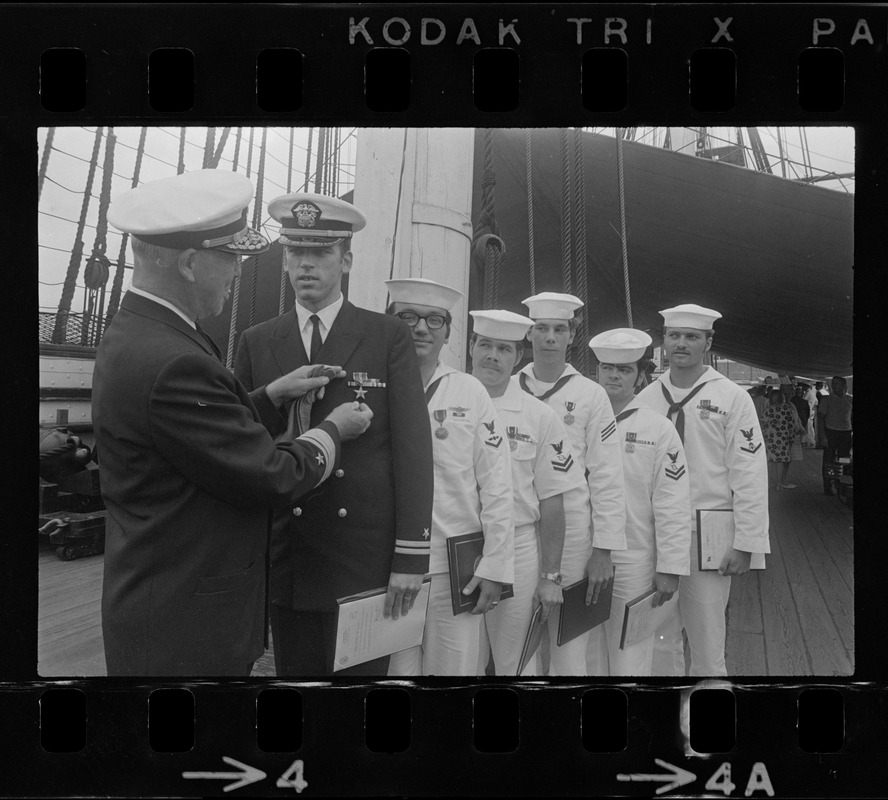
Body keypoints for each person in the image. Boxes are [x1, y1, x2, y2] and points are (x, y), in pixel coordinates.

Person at [95, 170, 373, 677]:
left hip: (160, 602)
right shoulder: (176, 360)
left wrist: (269, 395)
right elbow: (272, 475)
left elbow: (191, 433)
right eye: (232, 258)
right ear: (190, 264)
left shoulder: (139, 333)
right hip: (187, 625)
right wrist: (333, 429)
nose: (238, 274)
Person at [234, 192, 434, 676]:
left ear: (345, 261)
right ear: (285, 260)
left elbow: (412, 450)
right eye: (296, 252)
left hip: (361, 556)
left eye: (320, 253)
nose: (306, 265)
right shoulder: (258, 341)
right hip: (291, 552)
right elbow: (242, 443)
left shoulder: (387, 335)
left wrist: (410, 556)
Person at [384, 279, 514, 676]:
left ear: (447, 332)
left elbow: (496, 483)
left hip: (452, 567)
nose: (421, 328)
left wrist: (495, 566)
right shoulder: (371, 386)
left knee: (452, 677)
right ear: (390, 323)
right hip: (384, 565)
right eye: (407, 317)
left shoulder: (469, 391)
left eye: (434, 320)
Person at [635, 303, 769, 677]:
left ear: (708, 343)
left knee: (708, 640)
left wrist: (746, 542)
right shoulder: (645, 399)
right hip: (656, 532)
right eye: (674, 336)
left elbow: (749, 472)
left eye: (692, 337)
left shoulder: (732, 398)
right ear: (663, 341)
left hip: (706, 534)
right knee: (658, 637)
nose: (681, 344)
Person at [470, 309, 585, 676]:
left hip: (518, 546)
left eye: (503, 349)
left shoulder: (539, 416)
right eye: (484, 345)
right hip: (457, 542)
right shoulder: (448, 403)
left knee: (516, 662)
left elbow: (553, 500)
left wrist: (550, 576)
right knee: (457, 659)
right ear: (471, 347)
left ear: (518, 357)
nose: (492, 355)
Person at [517, 292, 627, 675]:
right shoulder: (509, 389)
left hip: (575, 538)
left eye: (559, 329)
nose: (549, 337)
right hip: (518, 534)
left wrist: (604, 550)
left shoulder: (590, 395)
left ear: (571, 337)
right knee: (519, 650)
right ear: (529, 335)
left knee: (569, 651)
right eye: (541, 329)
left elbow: (609, 475)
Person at [586, 328, 690, 675]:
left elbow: (672, 502)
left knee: (630, 653)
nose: (614, 375)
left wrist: (670, 567)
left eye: (625, 369)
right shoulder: (576, 420)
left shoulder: (657, 429)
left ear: (641, 375)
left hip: (632, 558)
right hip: (580, 553)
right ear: (596, 371)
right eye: (607, 368)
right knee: (584, 655)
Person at [763, 388, 805, 490]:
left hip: (770, 439)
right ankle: (780, 482)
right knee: (781, 461)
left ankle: (770, 482)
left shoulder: (767, 410)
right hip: (783, 439)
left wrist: (765, 437)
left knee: (771, 460)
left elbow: (764, 424)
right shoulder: (787, 410)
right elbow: (791, 426)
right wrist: (791, 439)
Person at [817, 376, 853, 496]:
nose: (834, 385)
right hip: (831, 432)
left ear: (844, 386)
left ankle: (841, 483)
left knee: (844, 459)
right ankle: (827, 485)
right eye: (833, 383)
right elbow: (821, 419)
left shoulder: (850, 399)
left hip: (846, 433)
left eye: (837, 383)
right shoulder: (826, 400)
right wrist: (822, 436)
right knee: (828, 460)